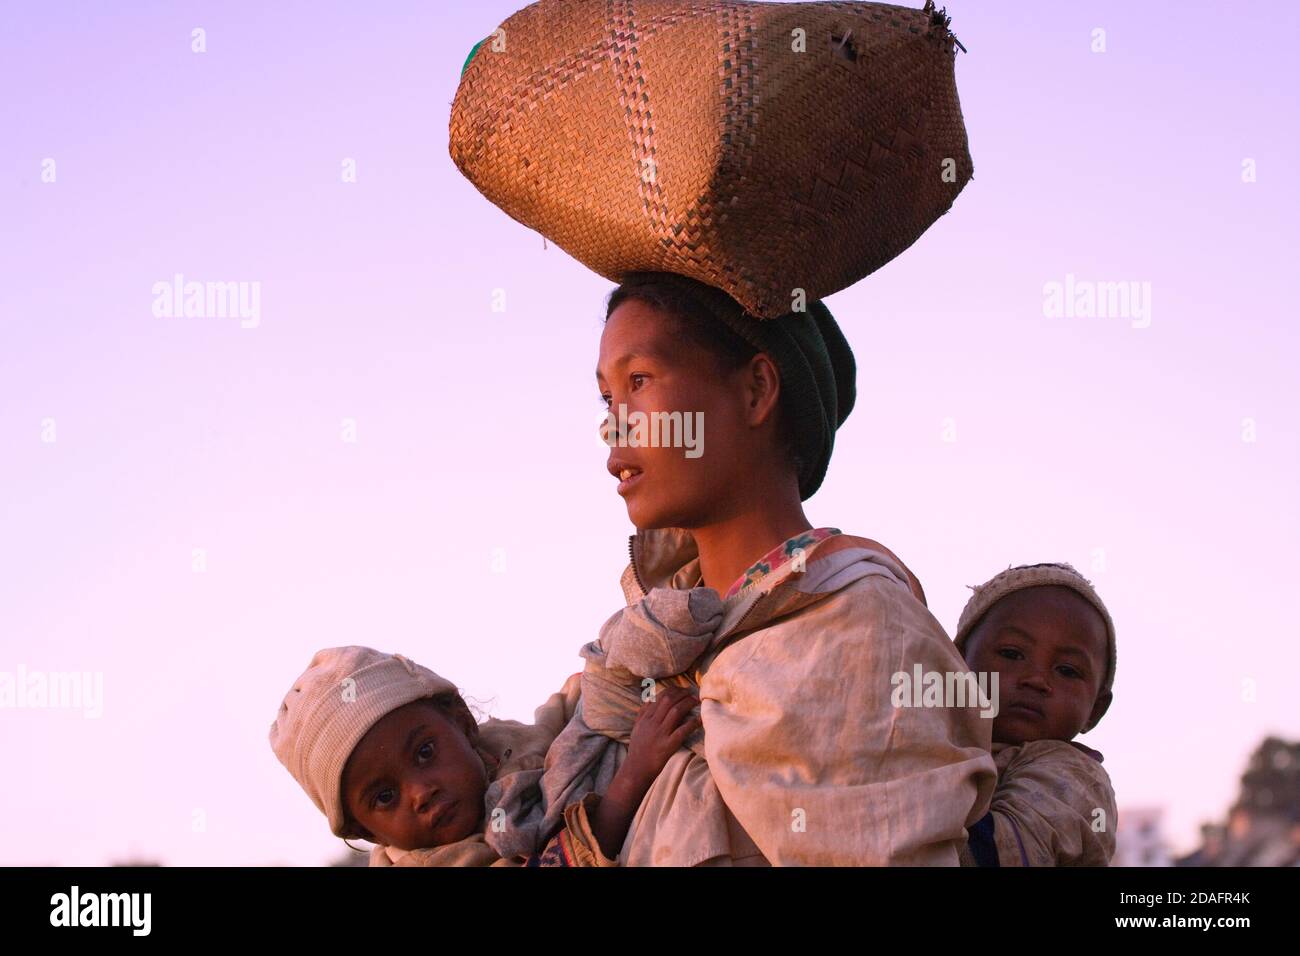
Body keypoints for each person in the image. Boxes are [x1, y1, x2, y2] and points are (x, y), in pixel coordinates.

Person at [591, 271, 997, 865]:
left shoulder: (867, 629)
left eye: (640, 380)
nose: (613, 424)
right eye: (607, 397)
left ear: (756, 390)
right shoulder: (633, 657)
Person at [267, 645, 692, 866]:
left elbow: (581, 701)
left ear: (463, 722)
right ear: (370, 834)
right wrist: (634, 773)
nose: (420, 793)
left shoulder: (516, 746)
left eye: (425, 752)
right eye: (384, 798)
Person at [952, 562, 1119, 866]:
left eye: (1067, 670)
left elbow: (1001, 854)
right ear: (956, 664)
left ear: (1095, 710)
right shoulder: (933, 739)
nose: (1036, 679)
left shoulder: (1074, 777)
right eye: (1012, 654)